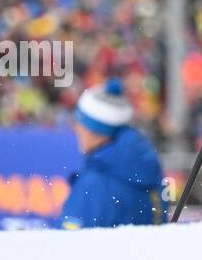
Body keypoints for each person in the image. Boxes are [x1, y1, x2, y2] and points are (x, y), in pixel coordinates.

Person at [60, 79, 165, 229]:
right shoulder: (148, 169)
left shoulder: (93, 185)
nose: (76, 129)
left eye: (79, 122)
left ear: (94, 129)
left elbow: (67, 246)